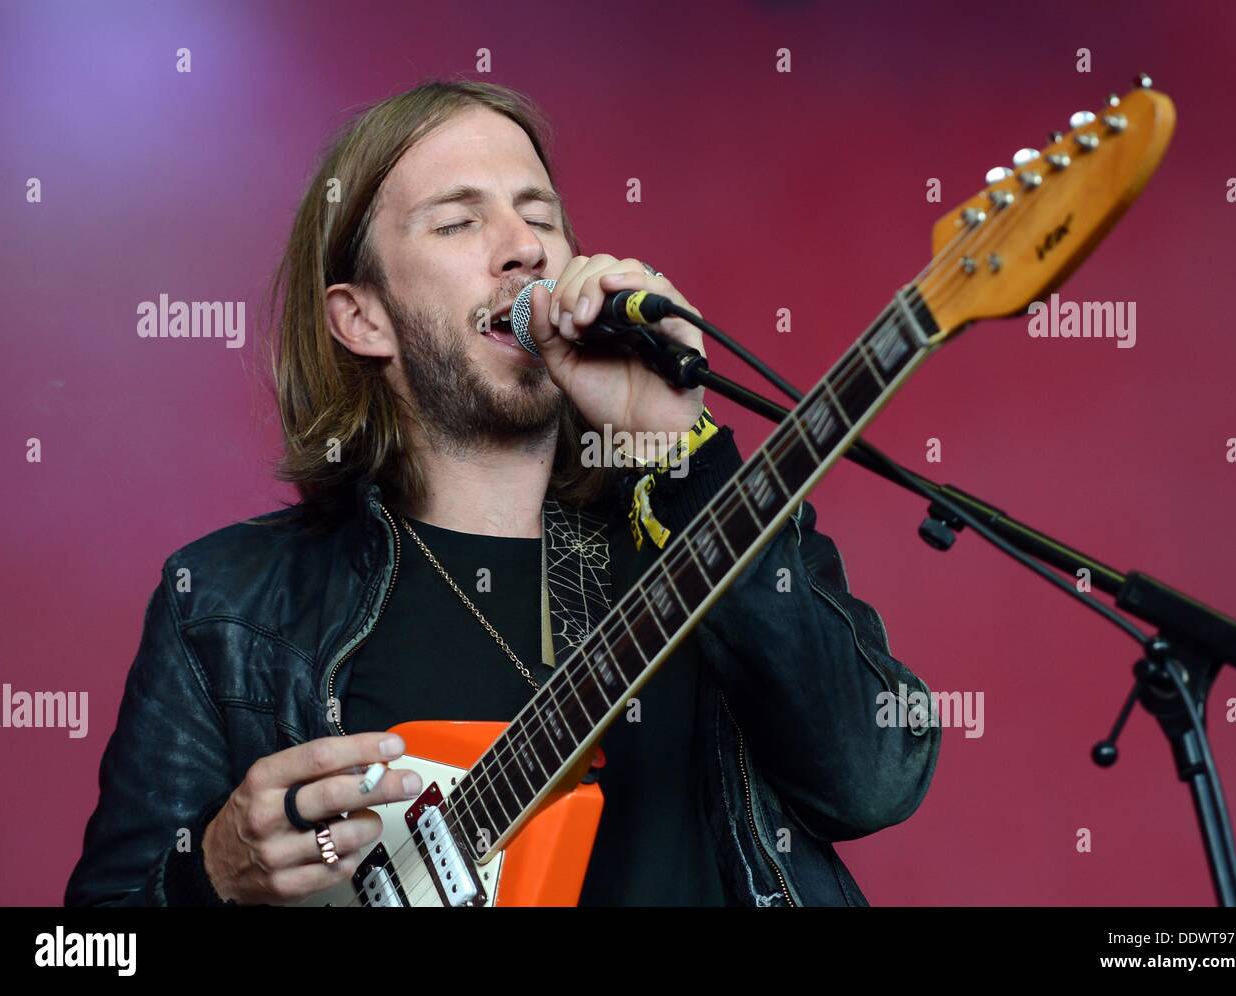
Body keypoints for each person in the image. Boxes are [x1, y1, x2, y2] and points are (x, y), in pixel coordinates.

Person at [65, 79, 939, 907]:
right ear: (363, 318)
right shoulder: (226, 606)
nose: (523, 245)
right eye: (457, 222)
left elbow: (873, 780)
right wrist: (207, 877)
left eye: (539, 215)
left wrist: (675, 450)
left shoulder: (707, 529)